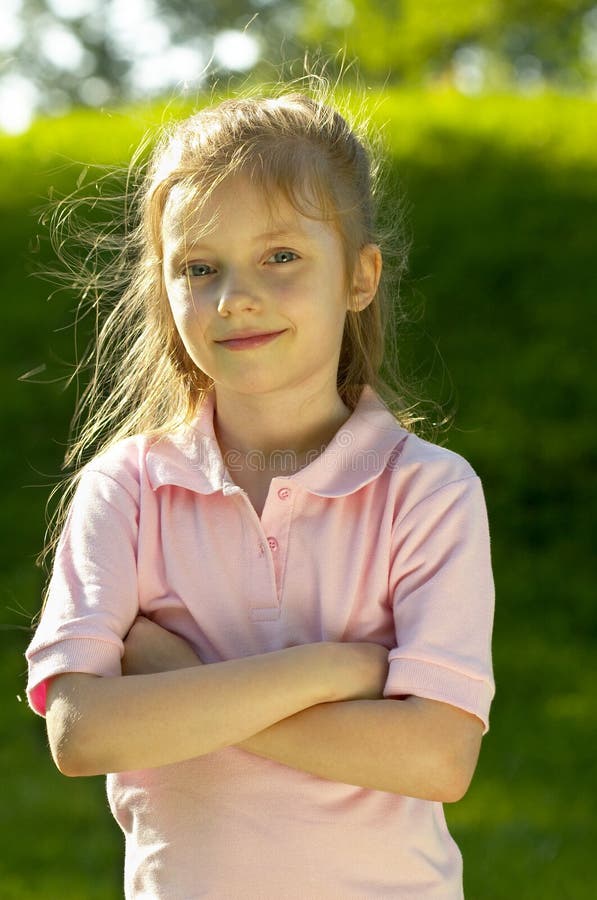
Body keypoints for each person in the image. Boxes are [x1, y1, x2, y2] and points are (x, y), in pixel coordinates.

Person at [26, 83, 495, 899]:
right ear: (165, 295)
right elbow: (81, 731)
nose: (234, 296)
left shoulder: (427, 491)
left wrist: (178, 675)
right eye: (199, 267)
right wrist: (333, 668)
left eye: (280, 257)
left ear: (358, 276)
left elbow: (434, 758)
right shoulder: (126, 488)